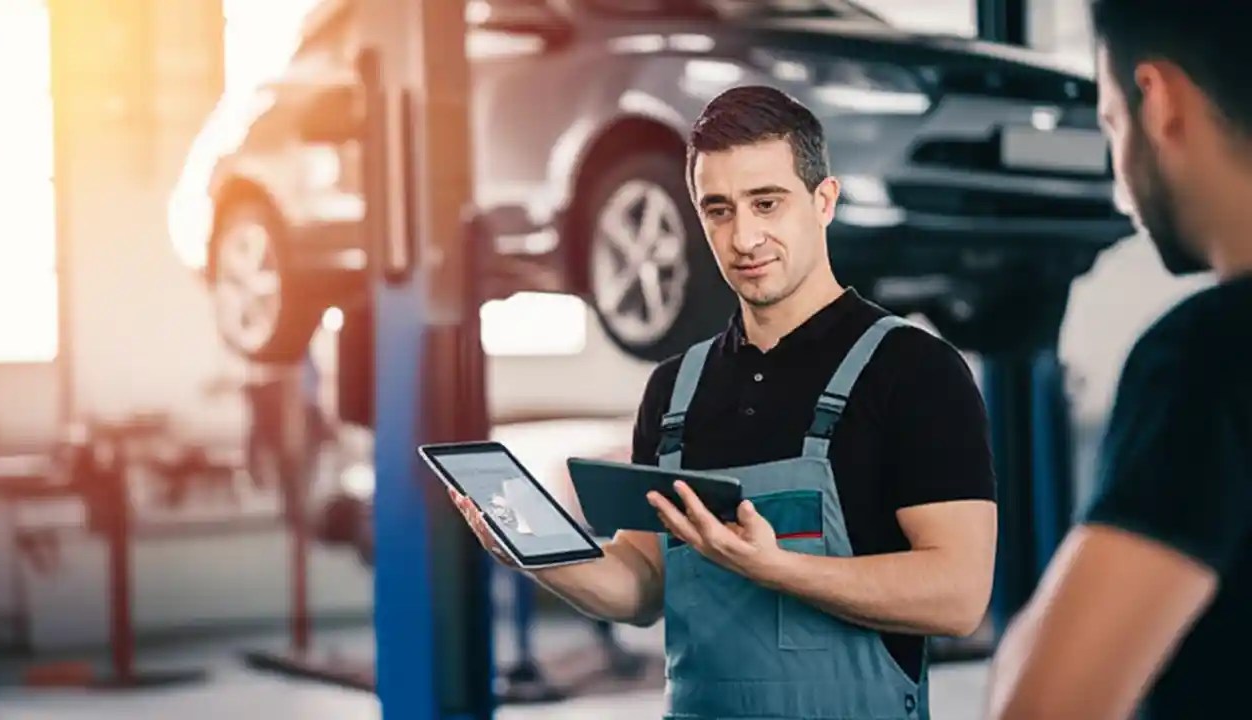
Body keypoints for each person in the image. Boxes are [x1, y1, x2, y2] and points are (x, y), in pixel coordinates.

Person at [450, 85, 998, 719]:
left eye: (767, 203)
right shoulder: (675, 390)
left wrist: (777, 568)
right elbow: (643, 584)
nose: (744, 237)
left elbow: (958, 595)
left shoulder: (914, 370)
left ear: (824, 201)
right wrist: (537, 550)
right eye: (719, 209)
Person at [986, 2, 1252, 719]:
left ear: (1160, 101)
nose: (1117, 170)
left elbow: (1043, 708)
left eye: (1110, 120)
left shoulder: (1209, 356)